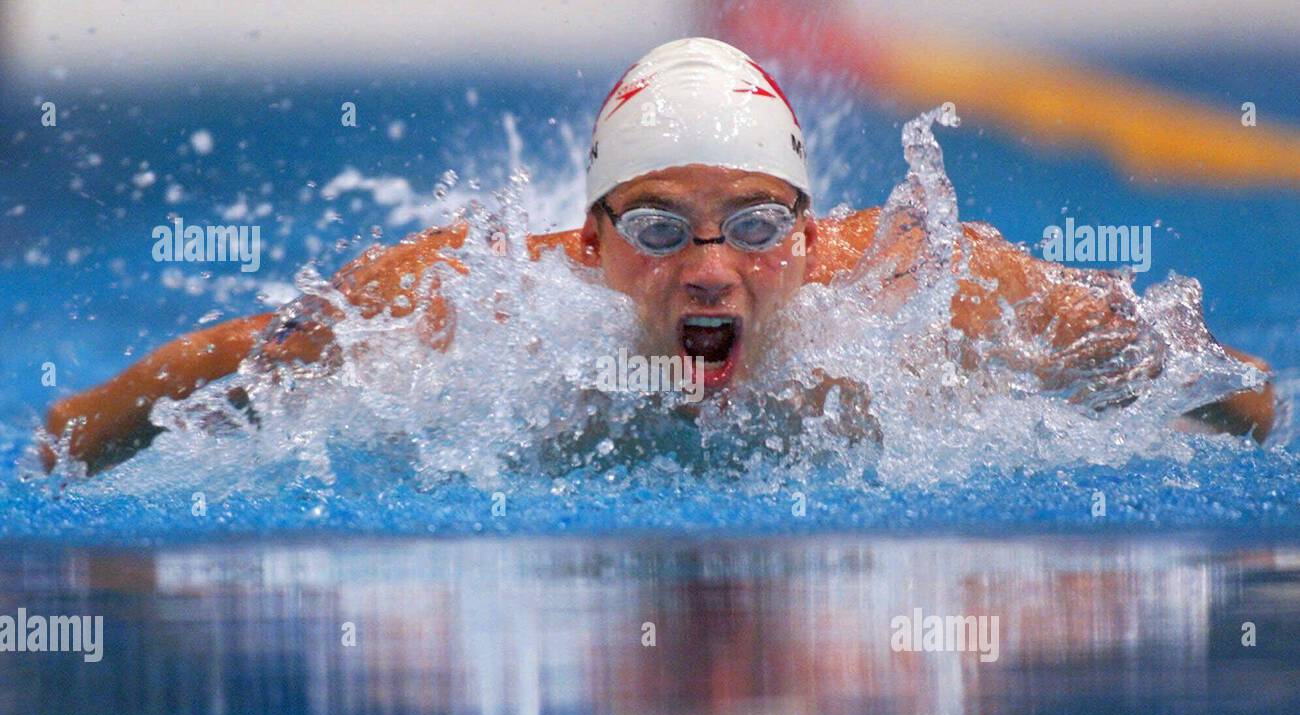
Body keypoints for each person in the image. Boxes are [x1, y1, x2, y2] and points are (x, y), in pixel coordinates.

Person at [42, 37, 1275, 476]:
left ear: (802, 235)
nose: (706, 269)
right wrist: (67, 444)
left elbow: (1219, 389)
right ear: (587, 241)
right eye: (653, 227)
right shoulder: (467, 305)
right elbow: (219, 369)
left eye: (750, 224)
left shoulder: (916, 286)